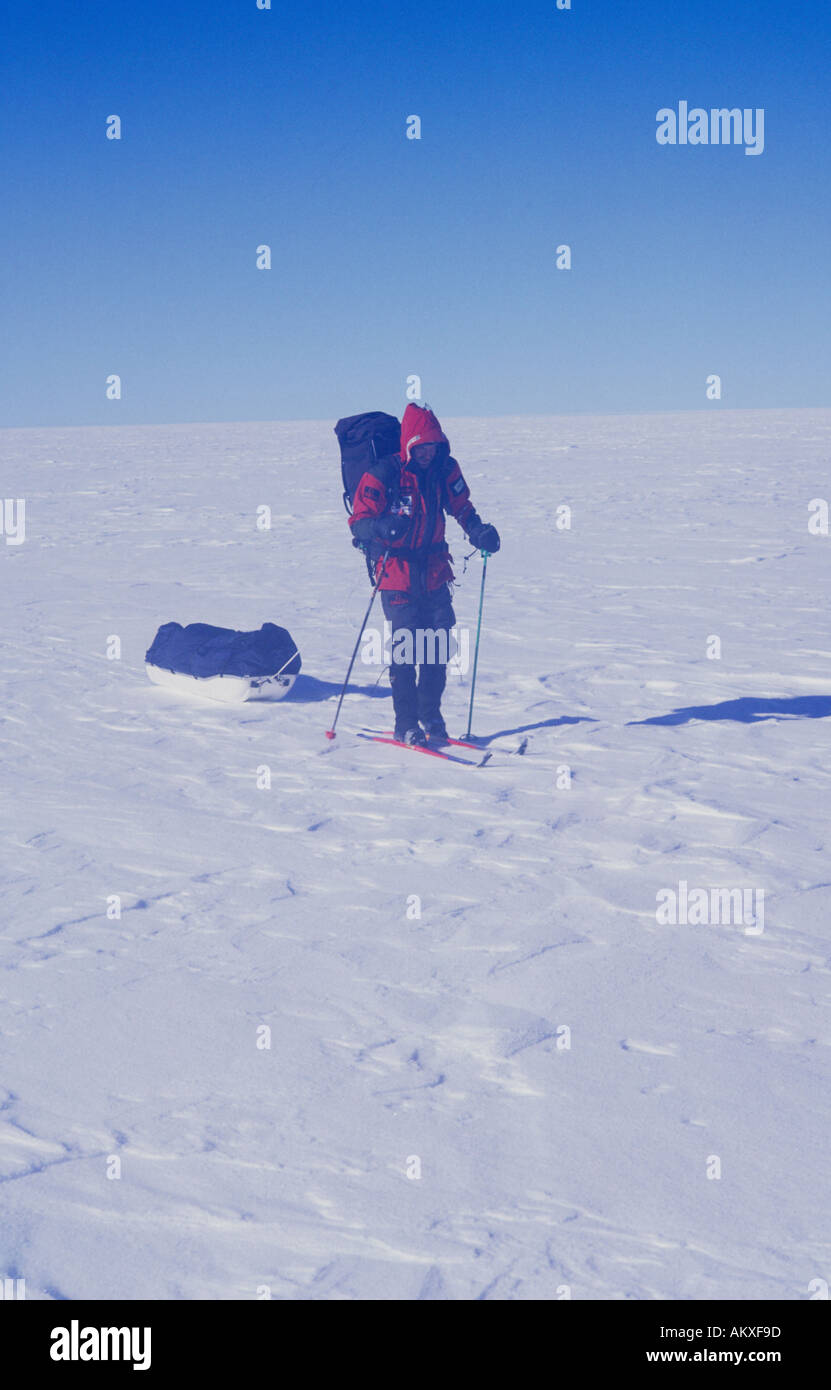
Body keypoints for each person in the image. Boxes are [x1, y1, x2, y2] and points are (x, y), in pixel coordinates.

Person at [349, 403, 500, 746]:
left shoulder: (445, 469)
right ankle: (406, 723)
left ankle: (431, 714)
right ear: (409, 445)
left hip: (434, 568)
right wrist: (381, 527)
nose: (428, 453)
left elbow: (461, 506)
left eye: (433, 446)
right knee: (406, 648)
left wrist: (478, 530)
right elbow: (358, 523)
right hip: (396, 569)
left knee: (438, 645)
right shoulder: (384, 472)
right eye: (422, 447)